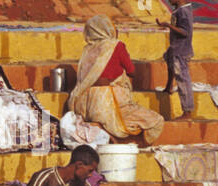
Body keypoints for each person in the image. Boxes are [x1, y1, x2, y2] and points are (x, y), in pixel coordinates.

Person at [68, 15, 165, 144]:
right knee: (156, 121)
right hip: (107, 101)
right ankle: (129, 141)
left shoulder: (87, 50)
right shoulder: (115, 45)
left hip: (84, 104)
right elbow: (132, 72)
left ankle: (110, 134)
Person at [156, 0, 194, 119]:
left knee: (183, 80)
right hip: (175, 48)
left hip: (181, 50)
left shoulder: (184, 12)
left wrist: (168, 26)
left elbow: (185, 32)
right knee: (168, 59)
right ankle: (169, 85)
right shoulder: (179, 10)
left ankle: (187, 112)